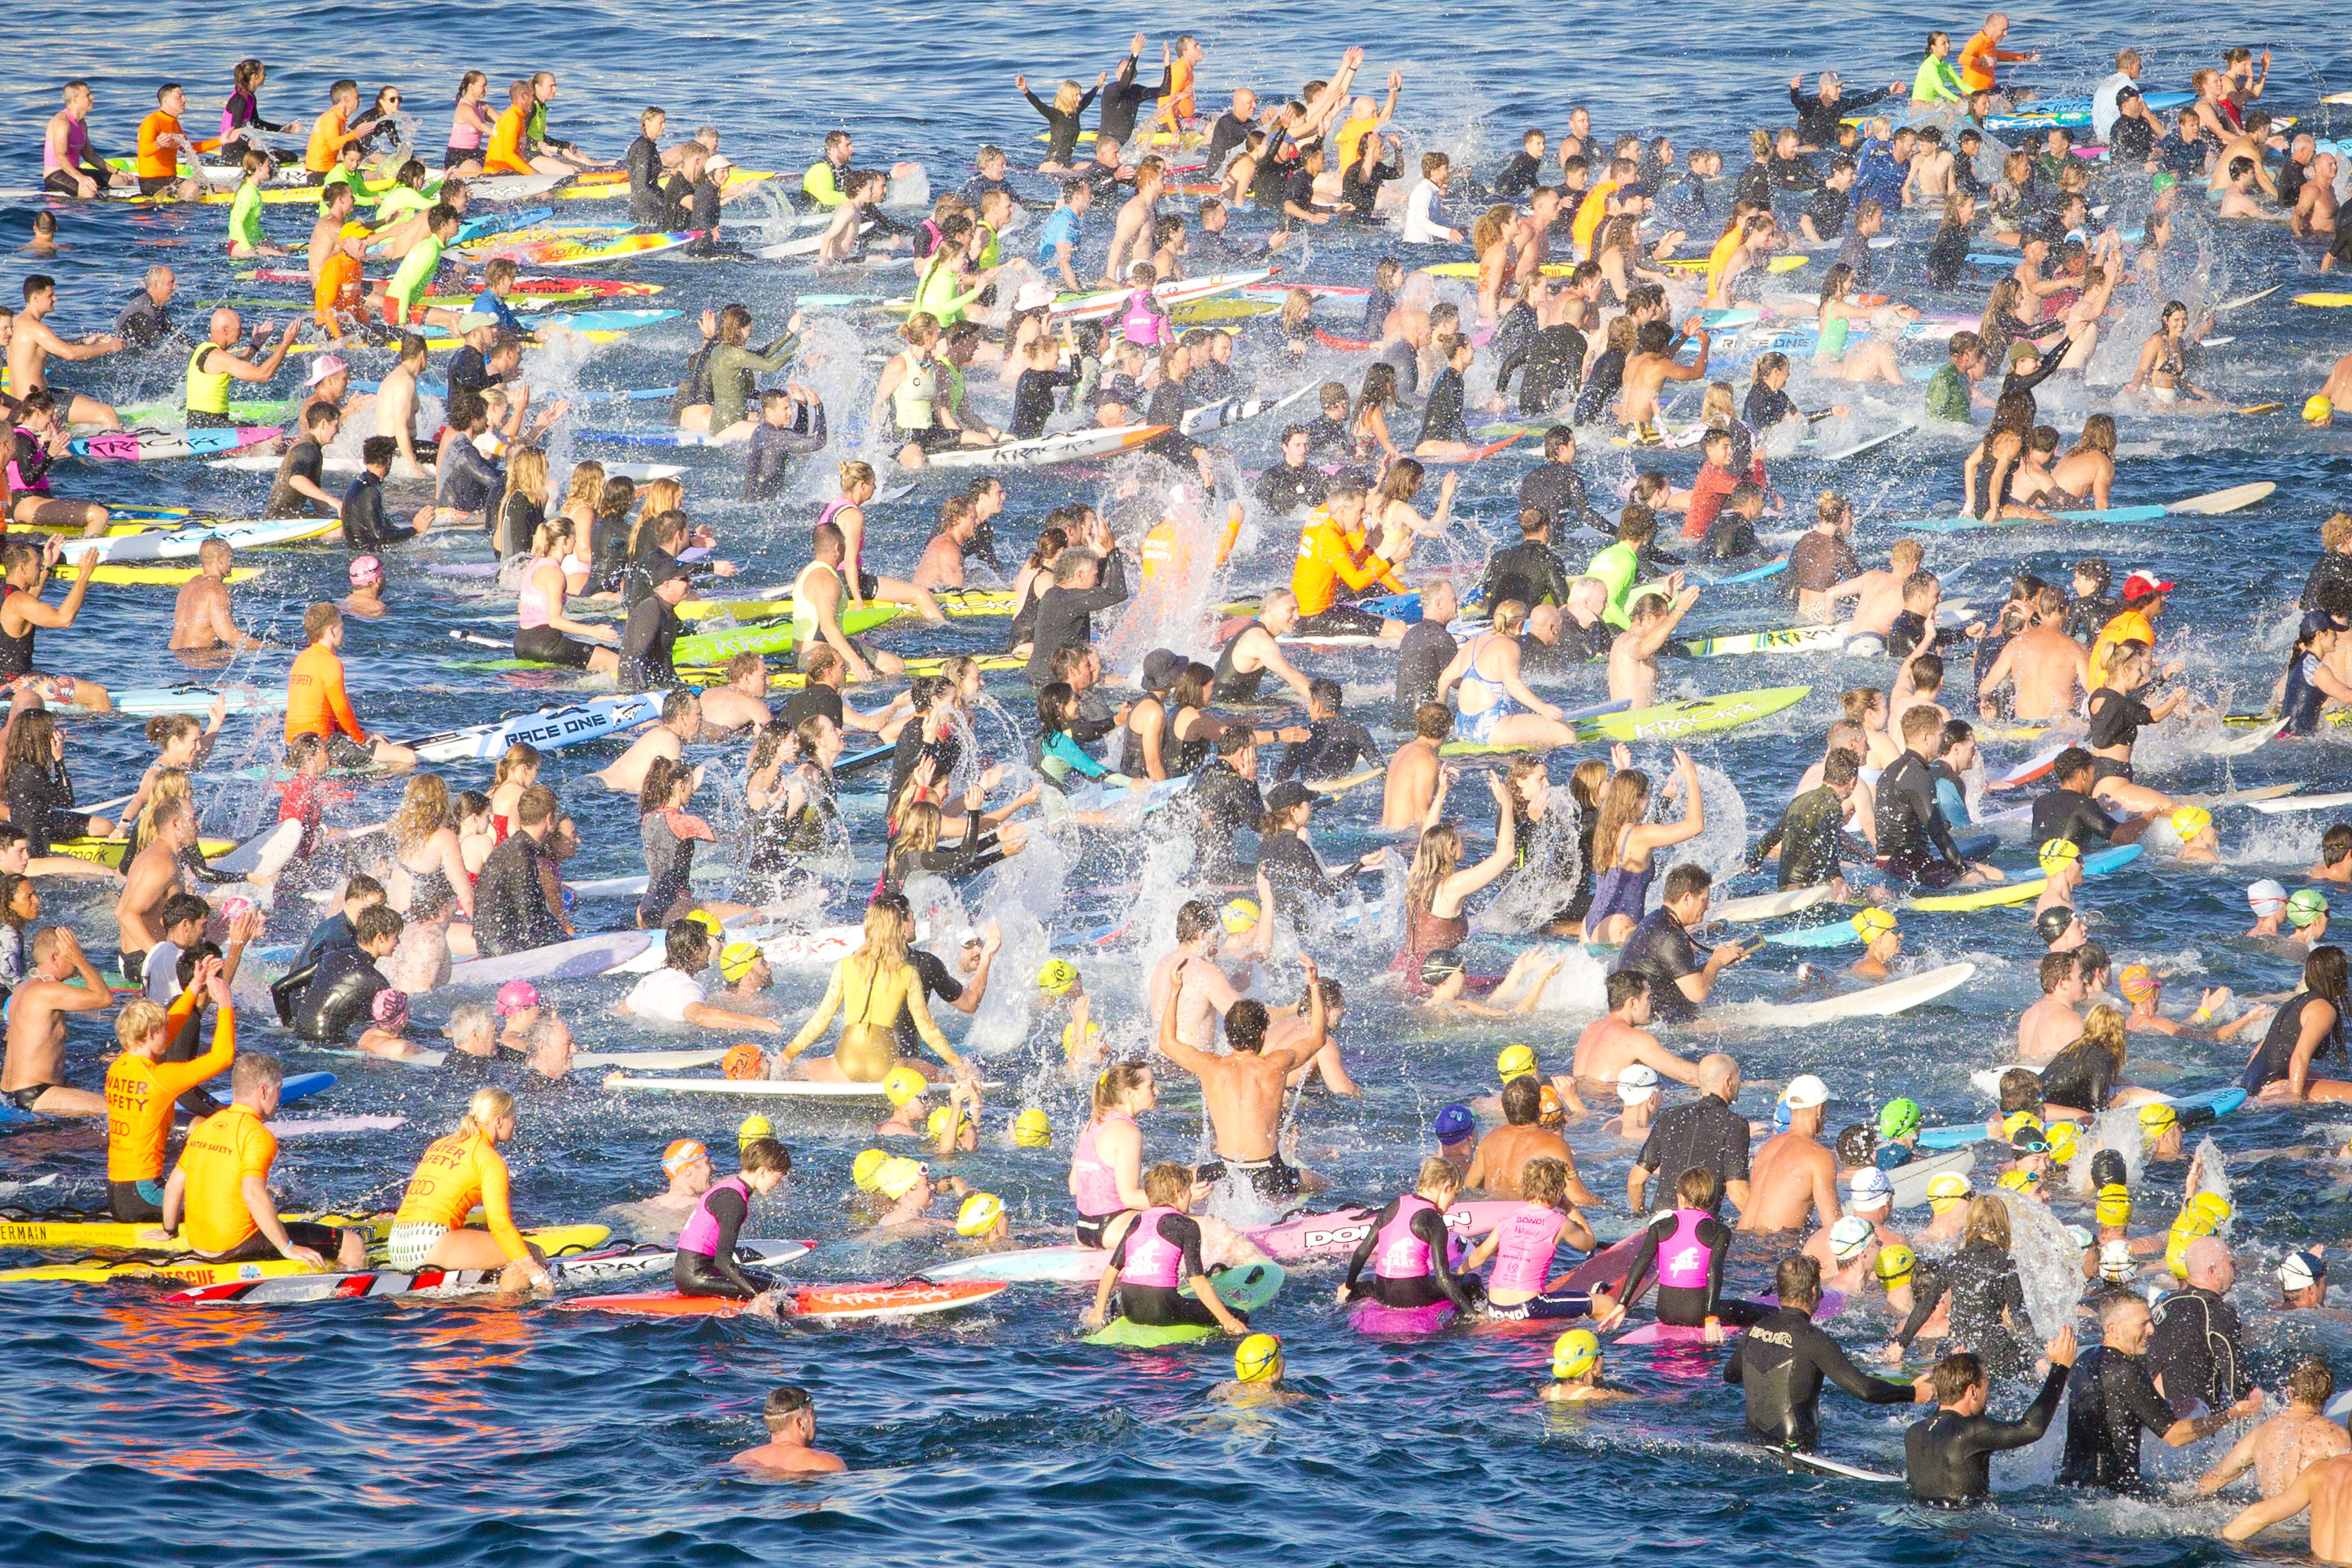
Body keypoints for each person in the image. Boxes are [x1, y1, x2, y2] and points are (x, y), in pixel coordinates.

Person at [161, 1053, 367, 1271]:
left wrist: (170, 1231)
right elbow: (252, 1193)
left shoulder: (205, 1127)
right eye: (278, 1089)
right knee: (353, 1243)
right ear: (263, 1091)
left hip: (201, 1246)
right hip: (239, 1246)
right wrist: (286, 1247)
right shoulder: (258, 1135)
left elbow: (174, 1186)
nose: (279, 1096)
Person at [1152, 953, 1326, 1203]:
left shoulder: (1210, 1066)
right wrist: (1314, 983)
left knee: (1177, 1179)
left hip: (1224, 1172)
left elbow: (1166, 1042)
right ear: (1263, 1033)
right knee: (1323, 1183)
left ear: (1229, 1033)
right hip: (1270, 1174)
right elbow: (1317, 1037)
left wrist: (1175, 990)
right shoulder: (1275, 1064)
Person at [2059, 1291, 2261, 1492]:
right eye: (2143, 1324)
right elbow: (2175, 1436)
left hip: (2073, 1485)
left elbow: (2113, 1414)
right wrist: (2232, 1414)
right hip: (2114, 1496)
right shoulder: (2126, 1370)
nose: (2152, 1330)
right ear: (2114, 1329)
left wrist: (2166, 1407)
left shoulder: (2085, 1360)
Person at [1727, 1253, 1928, 1449]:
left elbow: (1731, 1375)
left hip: (1754, 1441)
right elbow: (1864, 1389)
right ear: (1814, 1292)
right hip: (1797, 1449)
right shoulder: (1814, 1339)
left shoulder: (1755, 1330)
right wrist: (1911, 1393)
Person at [1905, 1328, 2078, 1504]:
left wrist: (1945, 1385)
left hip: (1923, 1522)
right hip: (1965, 1525)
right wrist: (2060, 1367)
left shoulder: (1914, 1432)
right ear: (1972, 1391)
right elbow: (2031, 1428)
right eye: (1986, 1388)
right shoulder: (1971, 1431)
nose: (1988, 1395)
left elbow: (1945, 1424)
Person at [1084, 1161, 1250, 1335]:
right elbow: (1197, 1281)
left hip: (1129, 1308)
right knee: (1241, 1316)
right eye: (1188, 1192)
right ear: (1178, 1193)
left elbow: (1111, 1271)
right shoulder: (1187, 1225)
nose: (1189, 1199)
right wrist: (1228, 1321)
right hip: (1164, 1310)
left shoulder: (1137, 1220)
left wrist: (1098, 1313)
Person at [285, 601, 417, 773]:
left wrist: (359, 733)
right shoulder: (330, 662)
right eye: (342, 626)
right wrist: (362, 738)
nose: (343, 631)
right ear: (331, 631)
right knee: (408, 758)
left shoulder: (301, 659)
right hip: (324, 744)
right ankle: (375, 785)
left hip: (293, 745)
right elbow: (341, 709)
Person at [1, 927, 115, 1116]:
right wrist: (81, 959)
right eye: (70, 954)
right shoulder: (47, 991)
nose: (75, 959)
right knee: (119, 1110)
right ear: (54, 958)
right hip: (35, 1094)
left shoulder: (23, 988)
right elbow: (104, 998)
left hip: (11, 1091)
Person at [2201, 1357, 2349, 1500]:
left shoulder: (2261, 1434)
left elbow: (2215, 1479)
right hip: (2310, 1524)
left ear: (2289, 1392)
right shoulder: (2336, 1437)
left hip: (2269, 1523)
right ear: (2330, 1393)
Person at [673, 1136, 794, 1304]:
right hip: (695, 1276)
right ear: (763, 1171)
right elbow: (723, 1260)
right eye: (778, 1177)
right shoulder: (734, 1201)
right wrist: (758, 1296)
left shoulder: (729, 1187)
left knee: (776, 1284)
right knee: (773, 1293)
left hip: (696, 1270)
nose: (779, 1183)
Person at [1627, 1053, 1750, 1214]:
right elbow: (1737, 1193)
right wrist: (1764, 1225)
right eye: (1738, 1078)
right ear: (1728, 1083)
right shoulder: (1734, 1124)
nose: (1739, 1083)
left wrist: (1639, 1214)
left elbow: (1635, 1182)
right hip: (1699, 1225)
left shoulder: (1670, 1117)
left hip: (1659, 1221)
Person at [731, 1387, 846, 1474]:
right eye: (812, 1413)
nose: (816, 1417)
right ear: (799, 1423)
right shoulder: (826, 1463)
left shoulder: (739, 1460)